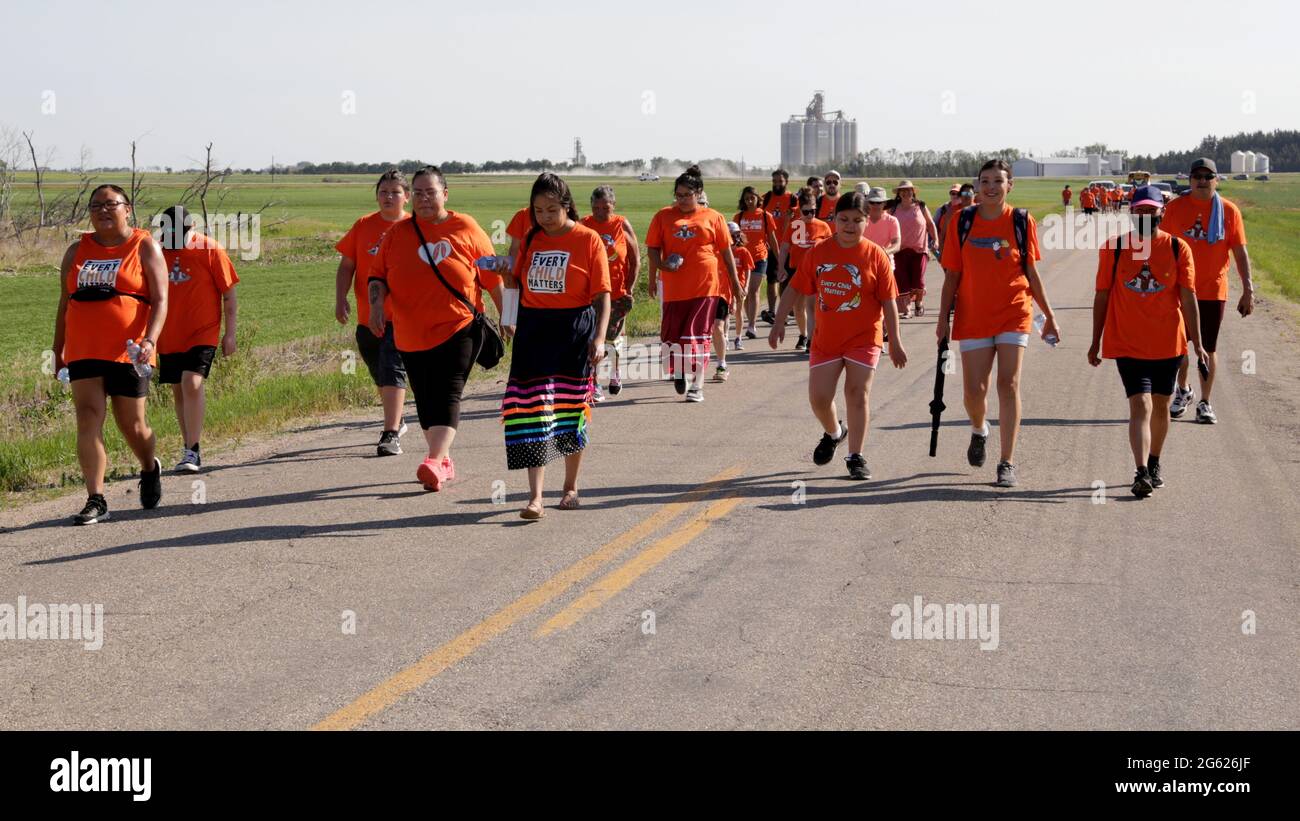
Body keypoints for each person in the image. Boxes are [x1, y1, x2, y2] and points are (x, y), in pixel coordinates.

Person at [367, 166, 503, 492]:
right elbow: (377, 276)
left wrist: (509, 316)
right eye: (418, 192)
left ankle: (433, 459)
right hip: (410, 333)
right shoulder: (398, 234)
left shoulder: (466, 227)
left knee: (447, 392)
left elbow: (493, 277)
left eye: (430, 192)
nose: (424, 198)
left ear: (445, 194)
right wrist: (375, 306)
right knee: (426, 399)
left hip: (460, 326)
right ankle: (442, 461)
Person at [937, 159, 1061, 488]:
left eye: (998, 181)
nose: (991, 187)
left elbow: (1032, 273)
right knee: (973, 393)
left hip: (1014, 312)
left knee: (1008, 385)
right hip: (973, 315)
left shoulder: (1021, 221)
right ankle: (979, 429)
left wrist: (1048, 316)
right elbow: (952, 276)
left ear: (1010, 186)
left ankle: (1006, 462)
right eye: (985, 181)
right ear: (976, 186)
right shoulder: (962, 221)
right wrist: (942, 321)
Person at [768, 191, 907, 480]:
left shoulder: (876, 255)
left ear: (867, 222)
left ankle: (855, 456)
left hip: (865, 337)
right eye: (843, 219)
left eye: (857, 220)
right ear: (834, 220)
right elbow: (794, 288)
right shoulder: (818, 252)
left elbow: (889, 302)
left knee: (857, 394)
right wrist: (779, 321)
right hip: (827, 339)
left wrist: (894, 341)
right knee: (819, 398)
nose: (849, 226)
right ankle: (834, 432)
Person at [52, 184, 168, 524]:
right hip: (83, 348)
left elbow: (161, 300)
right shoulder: (76, 251)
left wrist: (150, 340)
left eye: (111, 204)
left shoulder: (145, 246)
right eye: (96, 205)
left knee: (132, 425)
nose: (103, 210)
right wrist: (58, 349)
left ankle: (149, 466)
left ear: (127, 209)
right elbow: (65, 302)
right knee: (88, 417)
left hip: (129, 351)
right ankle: (96, 498)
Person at [501, 173, 611, 519]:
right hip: (534, 331)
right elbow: (513, 278)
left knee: (567, 411)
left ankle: (570, 487)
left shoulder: (588, 239)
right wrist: (508, 314)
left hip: (573, 332)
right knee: (531, 411)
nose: (544, 217)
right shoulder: (531, 237)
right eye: (538, 210)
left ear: (566, 206)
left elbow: (602, 295)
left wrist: (600, 337)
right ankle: (535, 497)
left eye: (551, 209)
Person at [1088, 185, 1208, 497]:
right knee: (1139, 404)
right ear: (1131, 212)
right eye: (1138, 210)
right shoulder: (1113, 248)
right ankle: (1141, 470)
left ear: (1161, 212)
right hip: (1127, 341)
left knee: (1160, 405)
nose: (1144, 215)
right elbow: (1102, 295)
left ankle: (1155, 461)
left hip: (1168, 342)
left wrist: (1197, 344)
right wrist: (1094, 340)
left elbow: (1188, 296)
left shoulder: (1177, 248)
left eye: (1150, 210)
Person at [1161, 158, 1252, 425]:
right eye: (1197, 176)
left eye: (1207, 176)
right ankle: (1184, 390)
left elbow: (1240, 252)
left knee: (1208, 348)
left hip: (1213, 291)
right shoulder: (1174, 208)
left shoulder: (1229, 211)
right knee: (1179, 348)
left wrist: (1248, 289)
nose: (1202, 181)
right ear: (1189, 180)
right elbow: (1158, 245)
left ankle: (1205, 402)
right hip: (1179, 290)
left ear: (1216, 180)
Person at [646, 165, 742, 403]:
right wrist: (659, 270)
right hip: (674, 289)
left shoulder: (713, 217)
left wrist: (735, 283)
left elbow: (726, 252)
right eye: (678, 195)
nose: (682, 200)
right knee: (674, 335)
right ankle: (679, 372)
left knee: (697, 336)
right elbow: (652, 249)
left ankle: (697, 385)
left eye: (687, 195)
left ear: (699, 193)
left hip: (705, 287)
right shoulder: (663, 216)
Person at [156, 204, 239, 472]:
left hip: (203, 331)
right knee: (179, 390)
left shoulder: (210, 249)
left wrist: (230, 334)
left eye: (179, 234)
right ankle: (187, 446)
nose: (173, 240)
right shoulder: (156, 251)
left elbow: (229, 295)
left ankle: (193, 450)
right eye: (168, 234)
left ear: (192, 228)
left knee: (191, 382)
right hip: (169, 333)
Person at [336, 169, 411, 455]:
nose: (388, 197)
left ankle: (390, 433)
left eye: (395, 192)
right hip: (368, 318)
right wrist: (340, 298)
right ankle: (398, 417)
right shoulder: (363, 225)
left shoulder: (414, 227)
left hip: (403, 316)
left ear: (407, 196)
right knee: (379, 372)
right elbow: (346, 266)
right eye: (383, 192)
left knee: (393, 369)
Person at [580, 185, 639, 400]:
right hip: (590, 294)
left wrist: (630, 287)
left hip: (617, 293)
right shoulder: (584, 225)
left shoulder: (621, 224)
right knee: (593, 338)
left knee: (612, 340)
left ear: (613, 205)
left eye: (605, 207)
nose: (600, 212)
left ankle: (615, 373)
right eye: (596, 208)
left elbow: (635, 260)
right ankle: (594, 384)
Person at [777, 187, 832, 352]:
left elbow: (831, 249)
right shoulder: (795, 226)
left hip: (817, 271)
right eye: (807, 211)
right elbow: (785, 248)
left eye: (814, 211)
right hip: (797, 270)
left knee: (813, 306)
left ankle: (812, 339)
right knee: (798, 307)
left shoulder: (823, 226)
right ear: (800, 209)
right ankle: (803, 335)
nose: (810, 215)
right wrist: (781, 267)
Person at [733, 186, 780, 339]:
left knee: (753, 290)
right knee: (744, 293)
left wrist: (779, 258)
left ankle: (752, 325)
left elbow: (772, 239)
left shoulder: (766, 216)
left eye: (752, 198)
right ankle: (750, 320)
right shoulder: (739, 217)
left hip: (760, 257)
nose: (749, 201)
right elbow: (733, 239)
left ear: (758, 198)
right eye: (746, 199)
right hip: (743, 259)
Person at [887, 181, 938, 318]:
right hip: (899, 250)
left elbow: (930, 224)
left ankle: (919, 303)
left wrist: (936, 240)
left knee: (918, 280)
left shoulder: (920, 206)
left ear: (913, 192)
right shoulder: (893, 208)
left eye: (908, 190)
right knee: (902, 281)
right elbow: (886, 224)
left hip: (919, 250)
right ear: (898, 193)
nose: (905, 192)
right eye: (902, 190)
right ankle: (907, 309)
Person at [760, 169, 798, 322]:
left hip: (788, 245)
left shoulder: (793, 199)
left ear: (786, 182)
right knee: (772, 279)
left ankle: (786, 308)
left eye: (780, 181)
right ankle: (771, 310)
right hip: (769, 245)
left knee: (786, 280)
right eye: (774, 181)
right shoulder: (766, 198)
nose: (777, 184)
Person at [724, 222, 755, 351]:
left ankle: (738, 337)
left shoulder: (743, 251)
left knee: (737, 311)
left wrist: (746, 286)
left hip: (740, 286)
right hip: (725, 287)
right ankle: (725, 337)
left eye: (737, 235)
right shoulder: (723, 252)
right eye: (732, 235)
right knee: (725, 313)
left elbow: (748, 270)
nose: (736, 238)